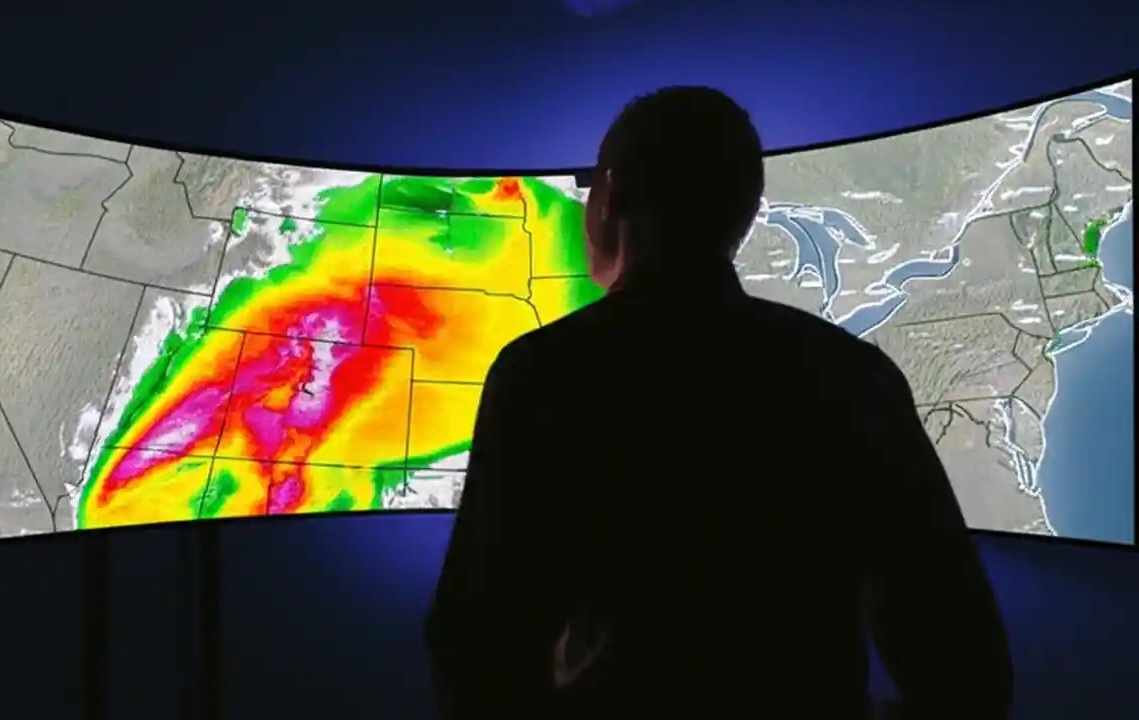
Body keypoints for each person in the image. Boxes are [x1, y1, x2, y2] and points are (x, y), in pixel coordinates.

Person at [424, 86, 1013, 719]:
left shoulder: (543, 375)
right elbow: (965, 668)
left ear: (611, 195)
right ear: (745, 214)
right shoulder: (855, 378)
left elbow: (476, 652)